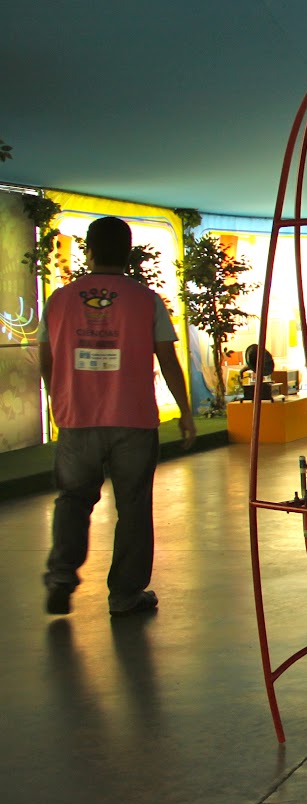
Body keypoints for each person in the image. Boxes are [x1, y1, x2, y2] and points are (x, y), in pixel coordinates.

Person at [39, 216, 196, 616]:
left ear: (88, 250)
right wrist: (185, 412)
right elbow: (168, 358)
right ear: (127, 253)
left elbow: (46, 358)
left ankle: (61, 575)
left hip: (77, 419)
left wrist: (60, 397)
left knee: (73, 499)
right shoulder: (146, 300)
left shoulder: (59, 300)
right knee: (133, 506)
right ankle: (125, 595)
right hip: (134, 420)